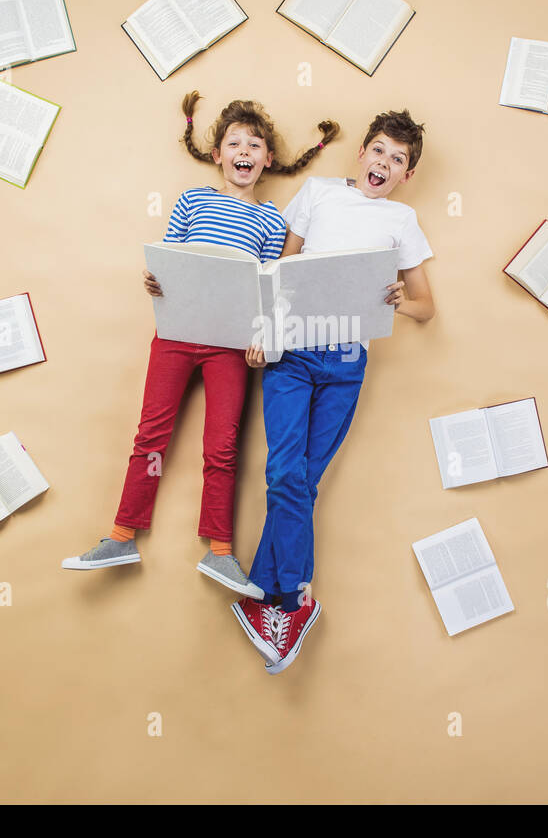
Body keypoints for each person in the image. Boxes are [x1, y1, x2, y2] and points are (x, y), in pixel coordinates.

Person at [62, 92, 338, 597]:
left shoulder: (273, 220)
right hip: (177, 332)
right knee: (151, 436)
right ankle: (121, 535)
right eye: (234, 142)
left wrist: (262, 339)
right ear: (218, 155)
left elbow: (267, 290)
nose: (245, 151)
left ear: (267, 160)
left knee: (224, 446)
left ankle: (221, 552)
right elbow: (169, 258)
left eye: (255, 144)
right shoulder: (193, 200)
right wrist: (155, 279)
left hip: (230, 343)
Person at [231, 110, 435, 672]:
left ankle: (263, 595)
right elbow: (282, 268)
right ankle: (297, 599)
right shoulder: (318, 192)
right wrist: (263, 329)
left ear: (407, 174)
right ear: (362, 153)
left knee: (302, 480)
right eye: (378, 151)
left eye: (398, 160)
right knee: (284, 473)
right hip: (294, 351)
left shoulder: (402, 220)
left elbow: (427, 308)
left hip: (348, 361)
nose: (384, 164)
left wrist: (400, 299)